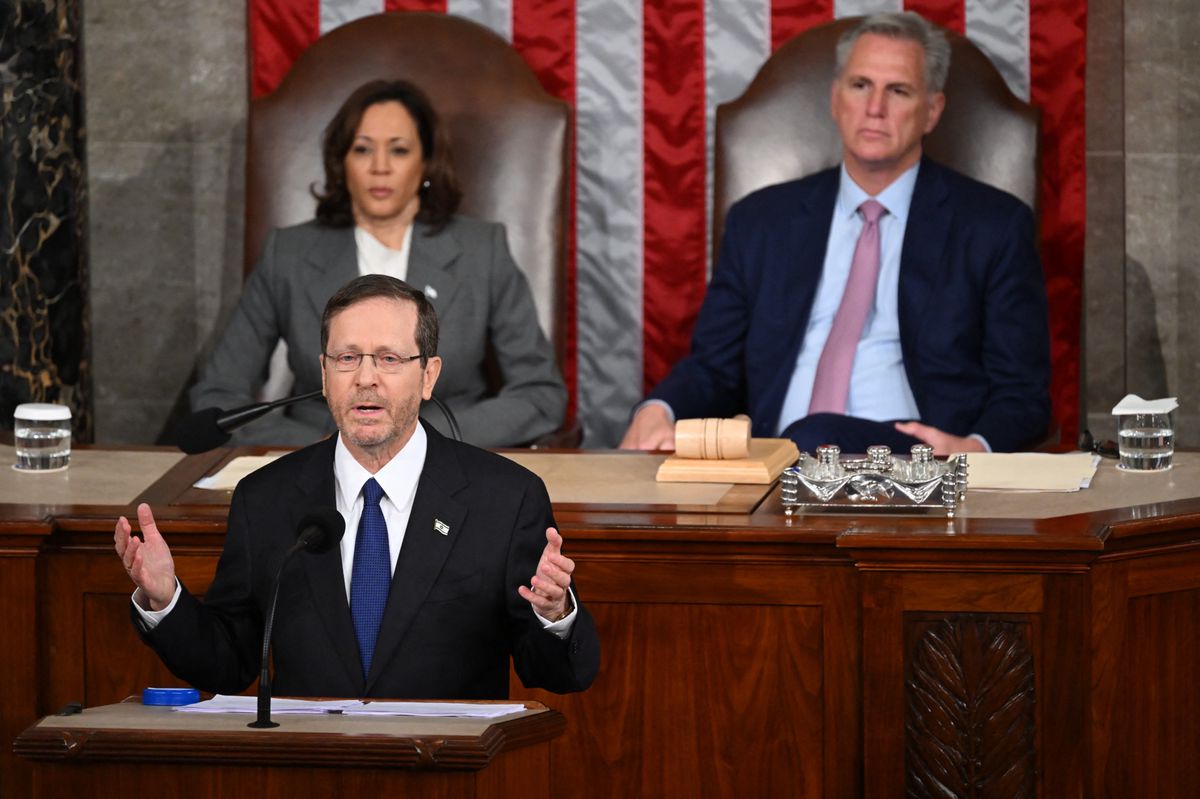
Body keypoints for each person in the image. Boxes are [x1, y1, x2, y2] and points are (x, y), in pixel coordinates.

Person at [117, 275, 599, 699]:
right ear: (324, 375)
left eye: (389, 359)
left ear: (428, 376)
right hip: (311, 771)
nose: (365, 379)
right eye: (347, 358)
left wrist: (555, 614)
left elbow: (557, 675)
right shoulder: (266, 498)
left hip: (447, 773)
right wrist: (166, 601)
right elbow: (229, 663)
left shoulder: (506, 499)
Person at [620, 12, 1050, 455]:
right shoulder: (761, 222)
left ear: (932, 111)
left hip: (915, 470)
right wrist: (661, 407)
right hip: (772, 468)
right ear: (835, 97)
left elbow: (1022, 393)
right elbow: (714, 366)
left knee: (816, 434)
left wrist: (976, 448)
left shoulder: (992, 226)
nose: (875, 108)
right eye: (860, 85)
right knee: (803, 437)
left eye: (897, 90)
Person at [192, 79, 566, 449]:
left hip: (447, 459)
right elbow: (218, 397)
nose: (380, 167)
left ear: (426, 163)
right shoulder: (287, 253)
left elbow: (539, 395)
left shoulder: (483, 250)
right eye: (362, 149)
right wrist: (321, 447)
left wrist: (425, 441)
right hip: (321, 465)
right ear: (341, 163)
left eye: (399, 150)